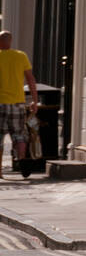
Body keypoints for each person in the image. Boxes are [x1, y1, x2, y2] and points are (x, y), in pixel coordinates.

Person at [0, 30, 38, 178]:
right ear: (10, 41)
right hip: (17, 103)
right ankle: (22, 159)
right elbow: (30, 79)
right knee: (19, 134)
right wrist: (34, 100)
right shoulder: (21, 56)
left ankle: (0, 171)